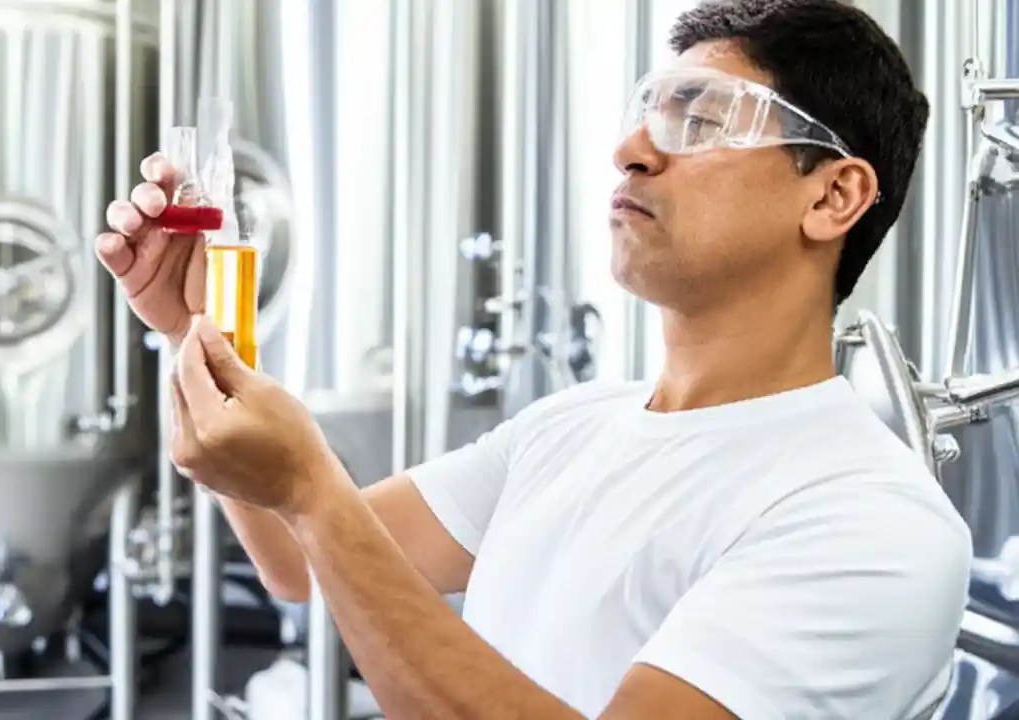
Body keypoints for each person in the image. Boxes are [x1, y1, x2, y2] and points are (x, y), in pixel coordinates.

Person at [95, 0, 971, 716]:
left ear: (834, 195)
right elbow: (299, 562)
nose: (631, 151)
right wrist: (196, 332)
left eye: (701, 120)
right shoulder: (569, 428)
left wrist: (313, 493)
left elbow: (316, 519)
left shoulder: (869, 519)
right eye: (647, 114)